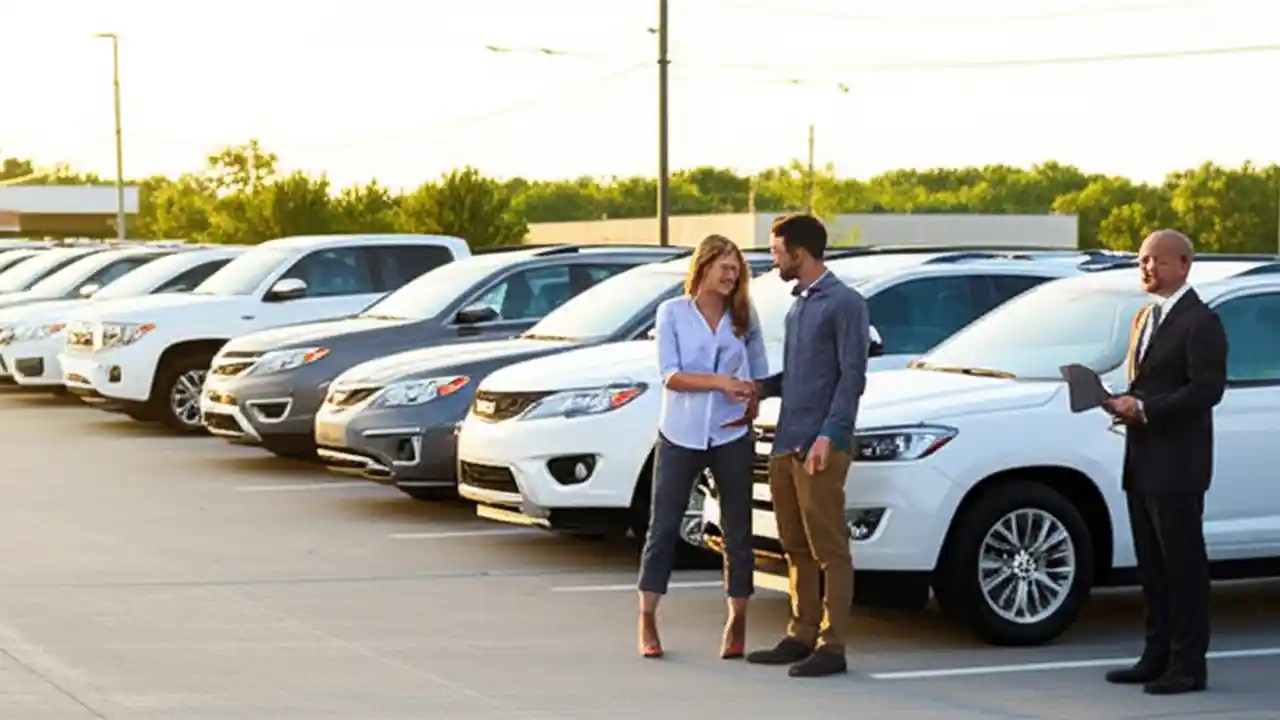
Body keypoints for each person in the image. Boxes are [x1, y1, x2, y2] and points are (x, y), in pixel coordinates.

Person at [744, 214, 870, 678]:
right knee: (794, 546)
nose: (774, 259)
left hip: (820, 446)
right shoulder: (799, 305)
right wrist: (761, 388)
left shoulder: (845, 303)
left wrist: (828, 436)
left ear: (800, 251)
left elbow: (851, 377)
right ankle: (801, 633)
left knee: (829, 549)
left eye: (778, 251)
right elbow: (802, 377)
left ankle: (832, 646)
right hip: (786, 443)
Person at [1102, 229, 1227, 695]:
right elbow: (1148, 382)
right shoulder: (1144, 317)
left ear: (1183, 265)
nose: (1146, 267)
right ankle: (1155, 656)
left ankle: (1189, 666)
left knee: (1183, 566)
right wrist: (1120, 402)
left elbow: (1206, 390)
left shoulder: (1201, 322)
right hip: (1142, 458)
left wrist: (1147, 409)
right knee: (1152, 567)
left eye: (1156, 260)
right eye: (1142, 260)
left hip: (1178, 464)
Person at [635, 234, 769, 660]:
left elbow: (759, 372)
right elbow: (670, 375)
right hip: (680, 433)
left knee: (737, 530)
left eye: (736, 269)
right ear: (704, 266)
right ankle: (648, 617)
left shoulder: (744, 316)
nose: (731, 276)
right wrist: (718, 382)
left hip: (730, 434)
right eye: (724, 267)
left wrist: (750, 400)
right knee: (663, 526)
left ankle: (737, 618)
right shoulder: (673, 313)